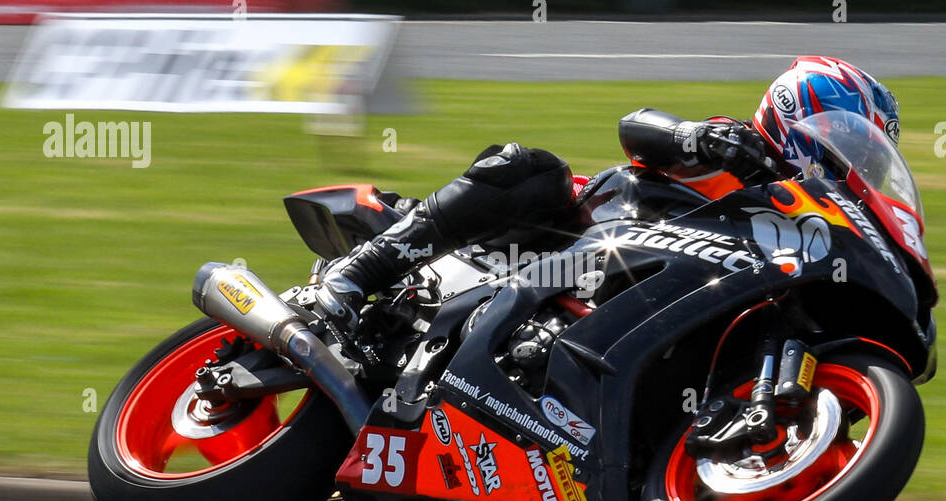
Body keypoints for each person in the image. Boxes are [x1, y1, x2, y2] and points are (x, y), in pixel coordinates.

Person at [314, 56, 900, 329]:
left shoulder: (801, 219)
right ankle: (358, 274)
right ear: (804, 114)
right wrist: (699, 136)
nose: (858, 161)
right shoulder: (735, 147)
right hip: (562, 240)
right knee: (530, 167)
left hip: (642, 301)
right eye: (853, 142)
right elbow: (636, 127)